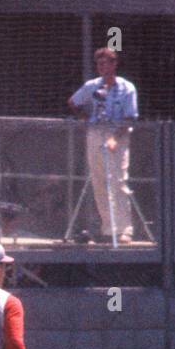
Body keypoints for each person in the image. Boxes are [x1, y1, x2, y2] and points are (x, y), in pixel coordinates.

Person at [68, 47, 138, 244]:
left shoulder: (127, 88)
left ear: (114, 64)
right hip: (95, 133)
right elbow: (73, 102)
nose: (102, 67)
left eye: (106, 63)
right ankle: (108, 228)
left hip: (118, 135)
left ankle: (125, 229)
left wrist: (115, 138)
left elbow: (130, 116)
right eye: (99, 64)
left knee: (117, 180)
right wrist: (86, 119)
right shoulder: (92, 86)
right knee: (99, 180)